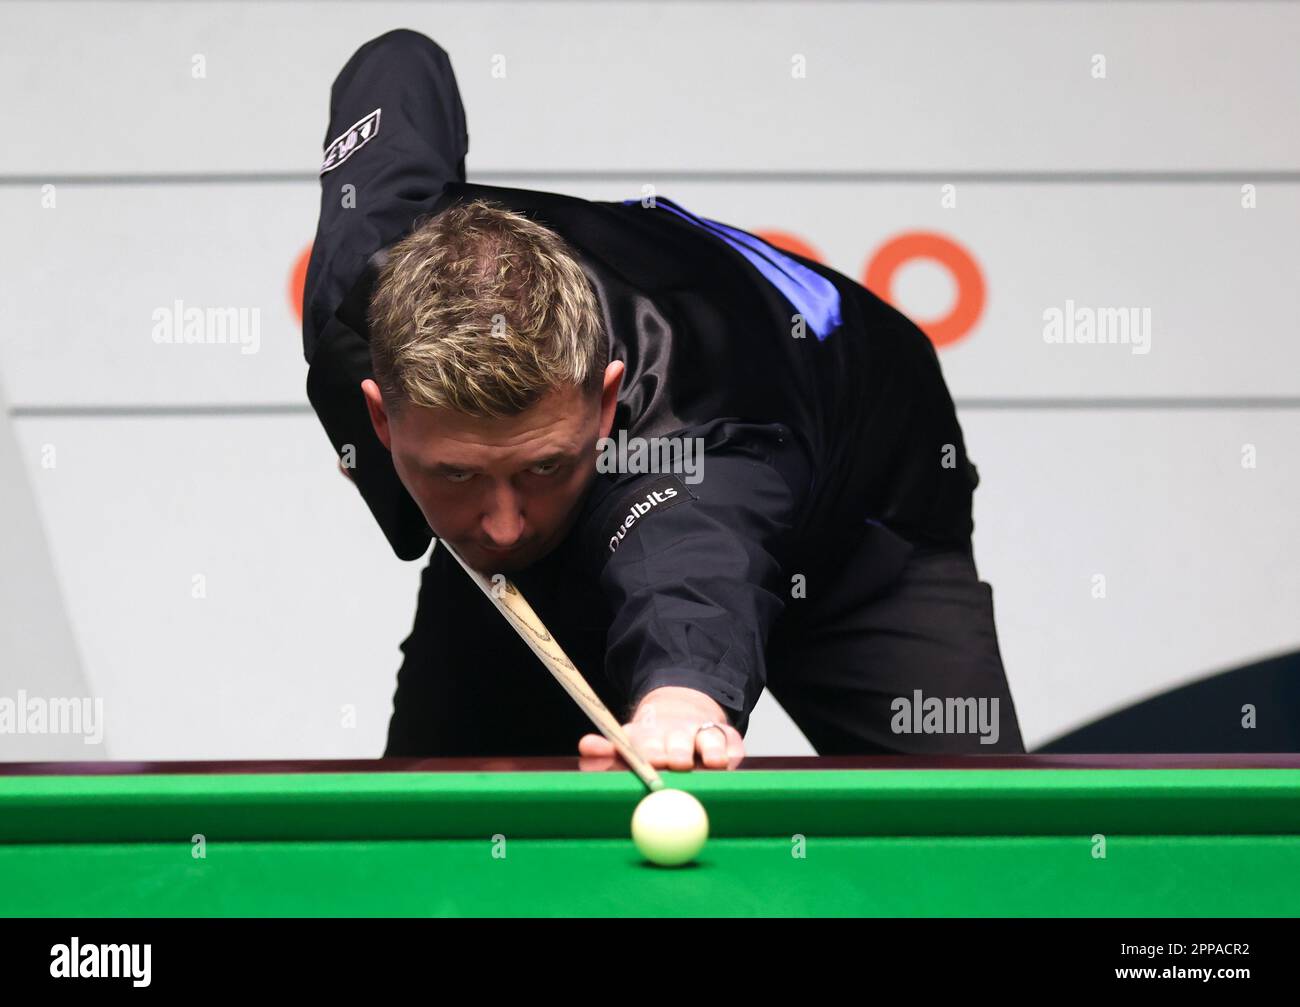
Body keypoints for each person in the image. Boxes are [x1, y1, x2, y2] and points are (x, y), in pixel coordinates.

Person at [303, 29, 1025, 769]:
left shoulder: (697, 431)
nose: (504, 523)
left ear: (609, 399)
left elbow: (694, 560)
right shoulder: (359, 304)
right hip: (581, 498)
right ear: (382, 415)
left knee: (981, 835)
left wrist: (683, 698)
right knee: (446, 841)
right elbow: (398, 65)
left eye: (542, 466)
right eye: (455, 472)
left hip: (863, 513)